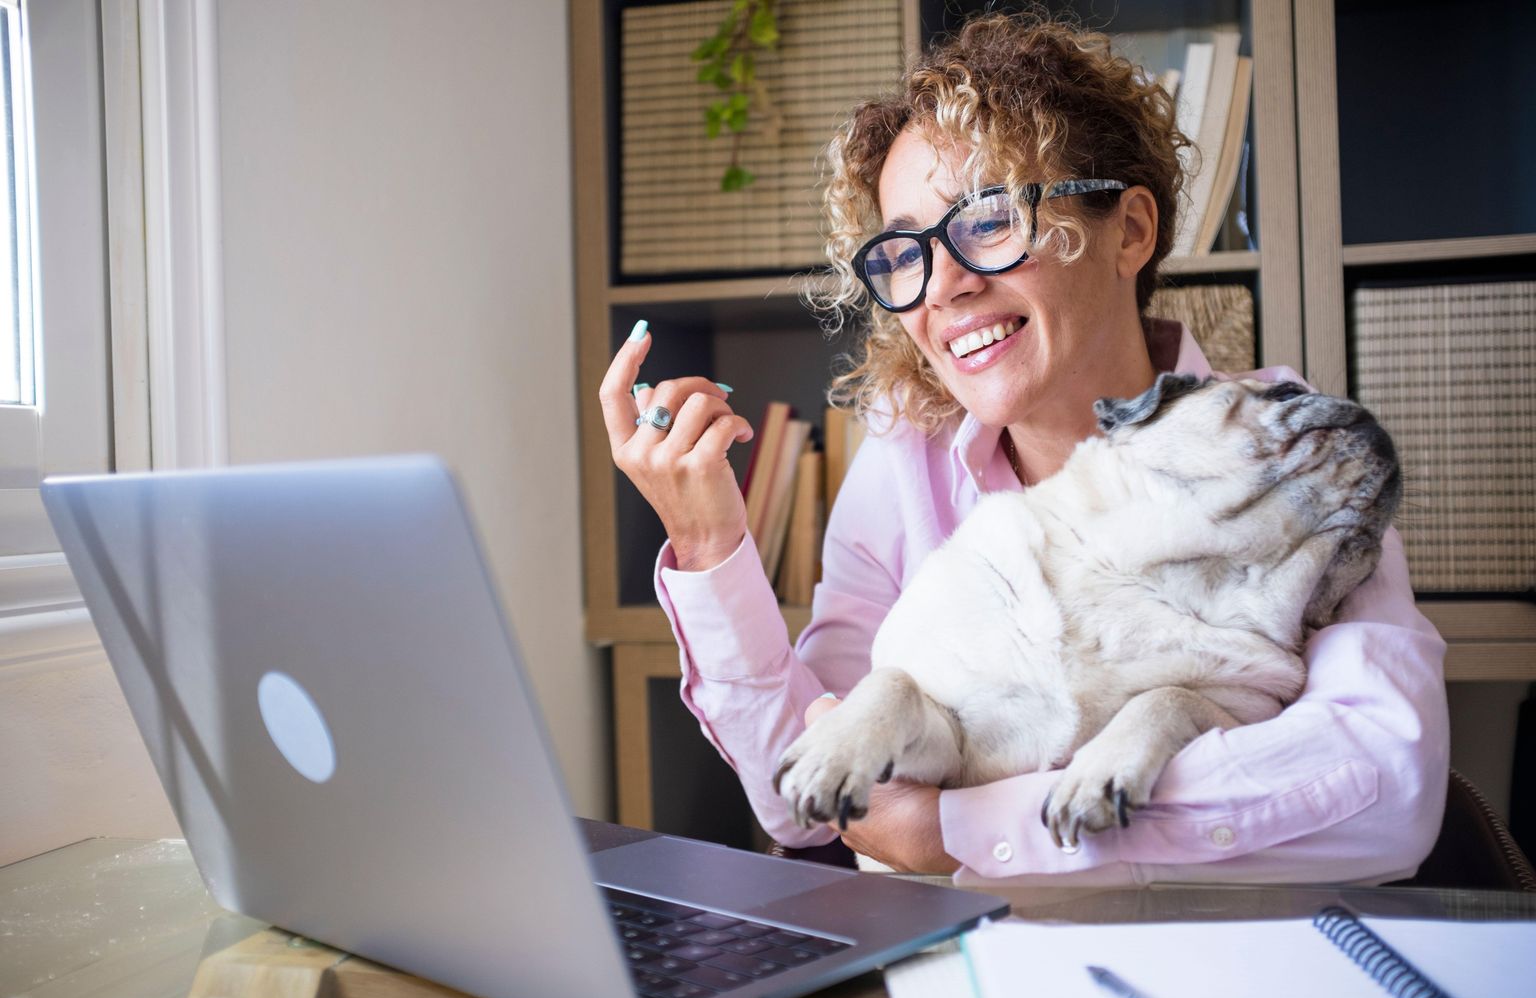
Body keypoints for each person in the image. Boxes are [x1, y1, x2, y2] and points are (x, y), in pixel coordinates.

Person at [598, 14, 1448, 883]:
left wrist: (965, 830)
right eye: (906, 252)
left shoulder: (1288, 455)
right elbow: (807, 803)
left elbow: (1387, 789)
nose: (947, 285)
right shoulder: (906, 469)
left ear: (1130, 230)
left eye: (991, 218)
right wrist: (709, 547)